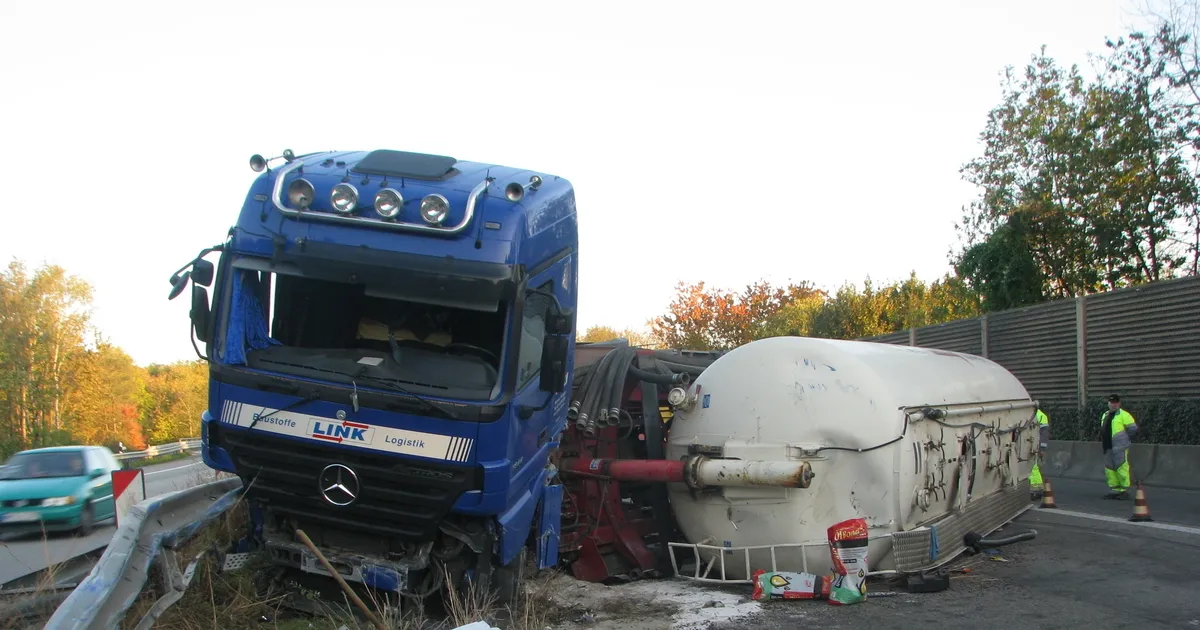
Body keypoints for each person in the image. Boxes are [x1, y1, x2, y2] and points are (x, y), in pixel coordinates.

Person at [1101, 394, 1139, 500]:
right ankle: (1115, 489)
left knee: (1121, 467)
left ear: (1119, 403)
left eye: (1116, 402)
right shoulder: (1105, 415)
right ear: (1108, 403)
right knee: (1110, 468)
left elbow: (1133, 429)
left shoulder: (1125, 415)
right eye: (1112, 402)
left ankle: (1124, 490)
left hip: (1120, 447)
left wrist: (1124, 440)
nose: (1113, 404)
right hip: (1107, 446)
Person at [1029, 408, 1050, 501]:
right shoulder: (1037, 414)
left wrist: (1041, 448)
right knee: (1033, 467)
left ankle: (1036, 490)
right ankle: (1036, 490)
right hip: (1031, 444)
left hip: (1034, 445)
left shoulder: (1039, 415)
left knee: (1034, 468)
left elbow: (1044, 433)